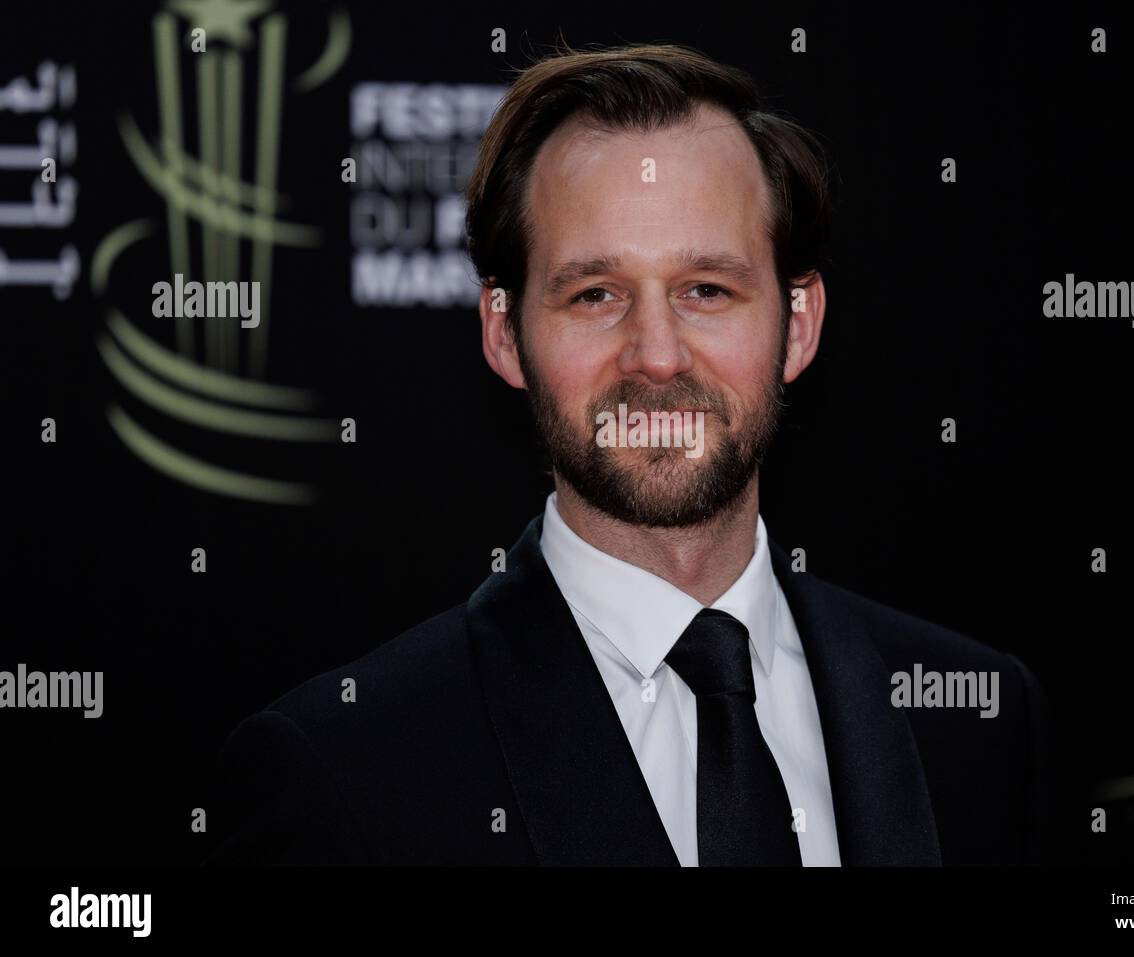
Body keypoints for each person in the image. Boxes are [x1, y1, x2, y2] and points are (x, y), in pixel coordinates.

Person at [205, 42, 1056, 867]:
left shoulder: (977, 718)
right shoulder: (348, 770)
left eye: (706, 291)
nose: (656, 354)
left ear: (798, 324)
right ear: (505, 334)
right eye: (596, 295)